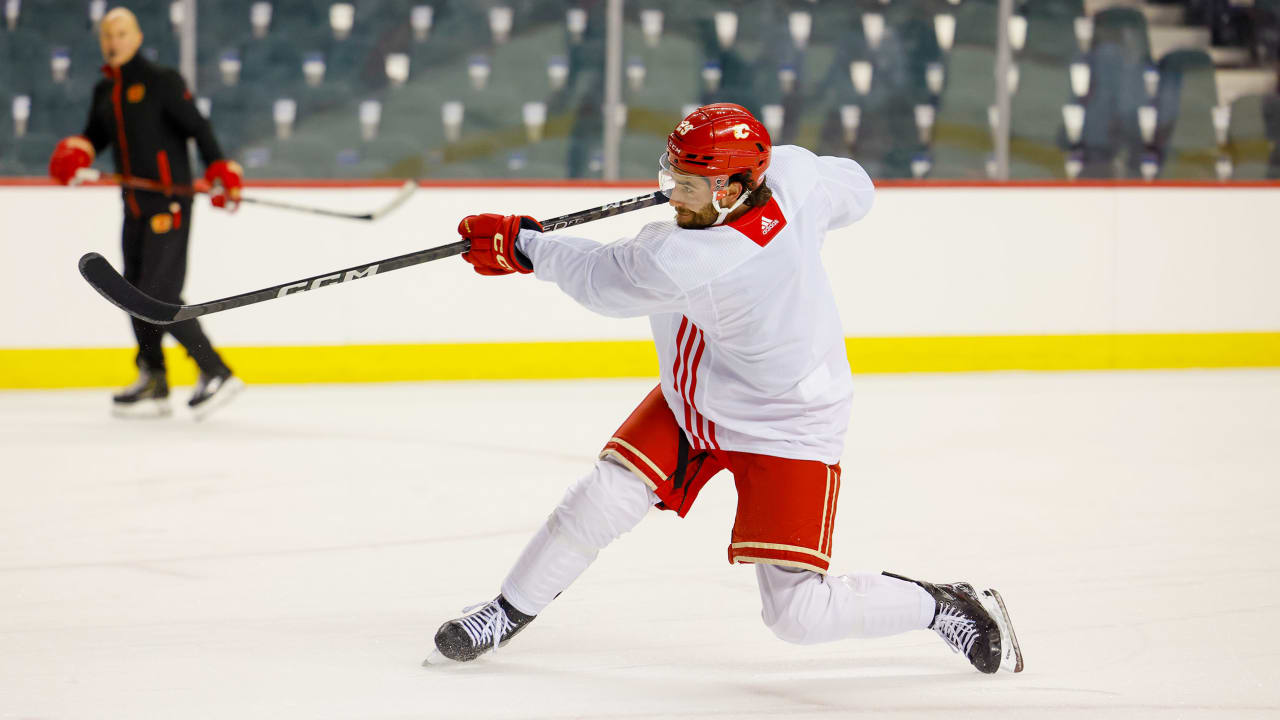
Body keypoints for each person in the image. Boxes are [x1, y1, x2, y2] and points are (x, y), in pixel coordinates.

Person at [427, 103, 1023, 674]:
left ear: (733, 189)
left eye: (688, 185)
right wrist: (804, 204)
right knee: (603, 496)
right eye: (673, 177)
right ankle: (507, 610)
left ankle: (943, 605)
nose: (672, 195)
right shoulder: (791, 178)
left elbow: (599, 279)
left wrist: (523, 245)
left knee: (798, 616)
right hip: (699, 396)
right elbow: (857, 188)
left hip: (788, 422)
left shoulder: (688, 259)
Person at [48, 6, 244, 420]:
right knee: (132, 294)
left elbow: (198, 127)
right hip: (134, 206)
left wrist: (219, 169)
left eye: (121, 33)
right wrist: (77, 153)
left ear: (137, 37)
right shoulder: (106, 90)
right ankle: (154, 378)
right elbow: (94, 136)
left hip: (169, 204)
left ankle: (216, 371)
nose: (113, 41)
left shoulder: (161, 81)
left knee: (159, 294)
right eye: (107, 34)